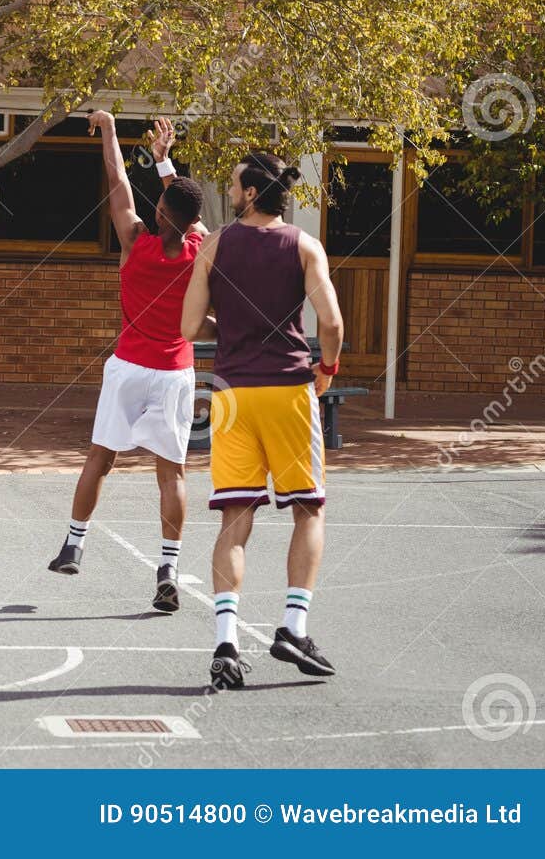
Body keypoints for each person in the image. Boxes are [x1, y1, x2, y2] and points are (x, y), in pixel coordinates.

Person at [181, 151, 345, 689]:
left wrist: (228, 324)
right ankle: (293, 627)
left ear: (251, 192)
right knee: (308, 510)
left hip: (231, 393)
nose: (228, 191)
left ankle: (225, 643)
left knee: (234, 521)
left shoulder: (215, 245)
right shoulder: (304, 246)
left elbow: (187, 326)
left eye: (232, 183)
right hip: (288, 392)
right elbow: (332, 323)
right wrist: (325, 371)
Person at [48, 114, 207, 614]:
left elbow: (117, 179)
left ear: (158, 212)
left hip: (129, 366)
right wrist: (164, 165)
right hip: (175, 372)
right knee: (172, 474)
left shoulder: (135, 242)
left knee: (101, 458)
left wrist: (112, 129)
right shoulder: (200, 250)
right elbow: (191, 215)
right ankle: (169, 569)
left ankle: (74, 544)